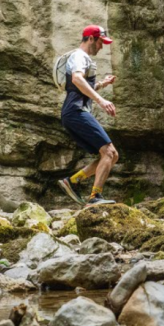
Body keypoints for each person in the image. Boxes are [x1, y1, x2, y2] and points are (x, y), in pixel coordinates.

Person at [57, 25, 120, 206]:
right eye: (100, 42)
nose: (101, 47)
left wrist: (101, 84)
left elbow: (80, 85)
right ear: (91, 39)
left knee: (111, 155)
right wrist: (102, 101)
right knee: (109, 152)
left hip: (74, 112)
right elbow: (77, 79)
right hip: (75, 111)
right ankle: (94, 197)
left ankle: (72, 181)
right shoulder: (79, 56)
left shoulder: (83, 59)